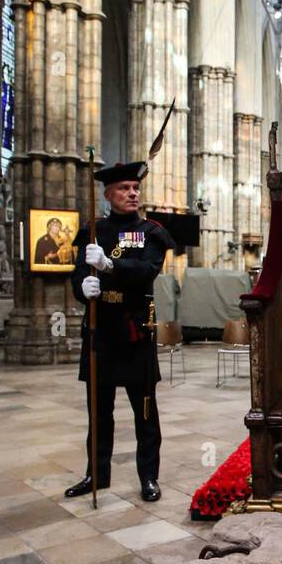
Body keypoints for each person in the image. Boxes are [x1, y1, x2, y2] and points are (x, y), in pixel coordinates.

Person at [65, 160, 175, 503]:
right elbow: (77, 276)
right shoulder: (92, 232)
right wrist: (84, 286)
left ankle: (148, 478)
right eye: (124, 189)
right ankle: (95, 474)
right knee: (98, 413)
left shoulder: (151, 232)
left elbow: (146, 271)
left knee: (145, 413)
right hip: (101, 335)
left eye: (135, 188)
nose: (132, 193)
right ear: (109, 194)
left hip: (135, 334)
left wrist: (111, 265)